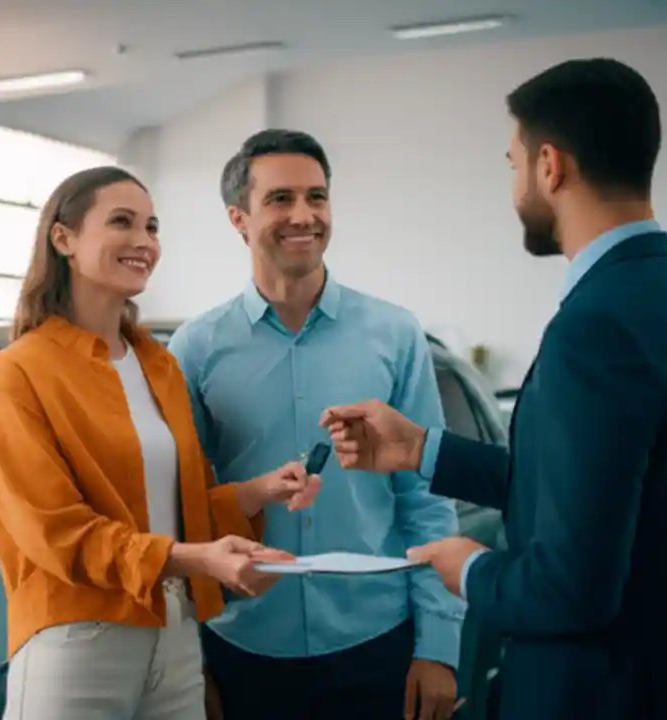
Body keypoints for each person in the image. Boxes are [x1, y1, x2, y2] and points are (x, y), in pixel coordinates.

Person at [322, 58, 667, 720]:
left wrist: (469, 569)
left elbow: (570, 589)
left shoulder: (595, 326)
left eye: (513, 163)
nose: (515, 185)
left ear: (550, 166)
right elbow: (596, 496)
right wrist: (423, 450)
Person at [0, 165, 323, 720]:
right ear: (63, 238)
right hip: (78, 640)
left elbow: (179, 516)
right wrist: (195, 559)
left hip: (173, 631)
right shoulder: (22, 370)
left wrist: (257, 492)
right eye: (122, 222)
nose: (144, 241)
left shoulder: (158, 364)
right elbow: (52, 532)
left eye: (151, 227)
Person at [167, 130, 465, 720]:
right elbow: (181, 510)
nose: (304, 216)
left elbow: (427, 497)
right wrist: (188, 662)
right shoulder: (196, 348)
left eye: (317, 197)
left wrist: (438, 646)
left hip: (378, 640)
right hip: (243, 645)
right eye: (280, 198)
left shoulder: (395, 334)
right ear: (238, 218)